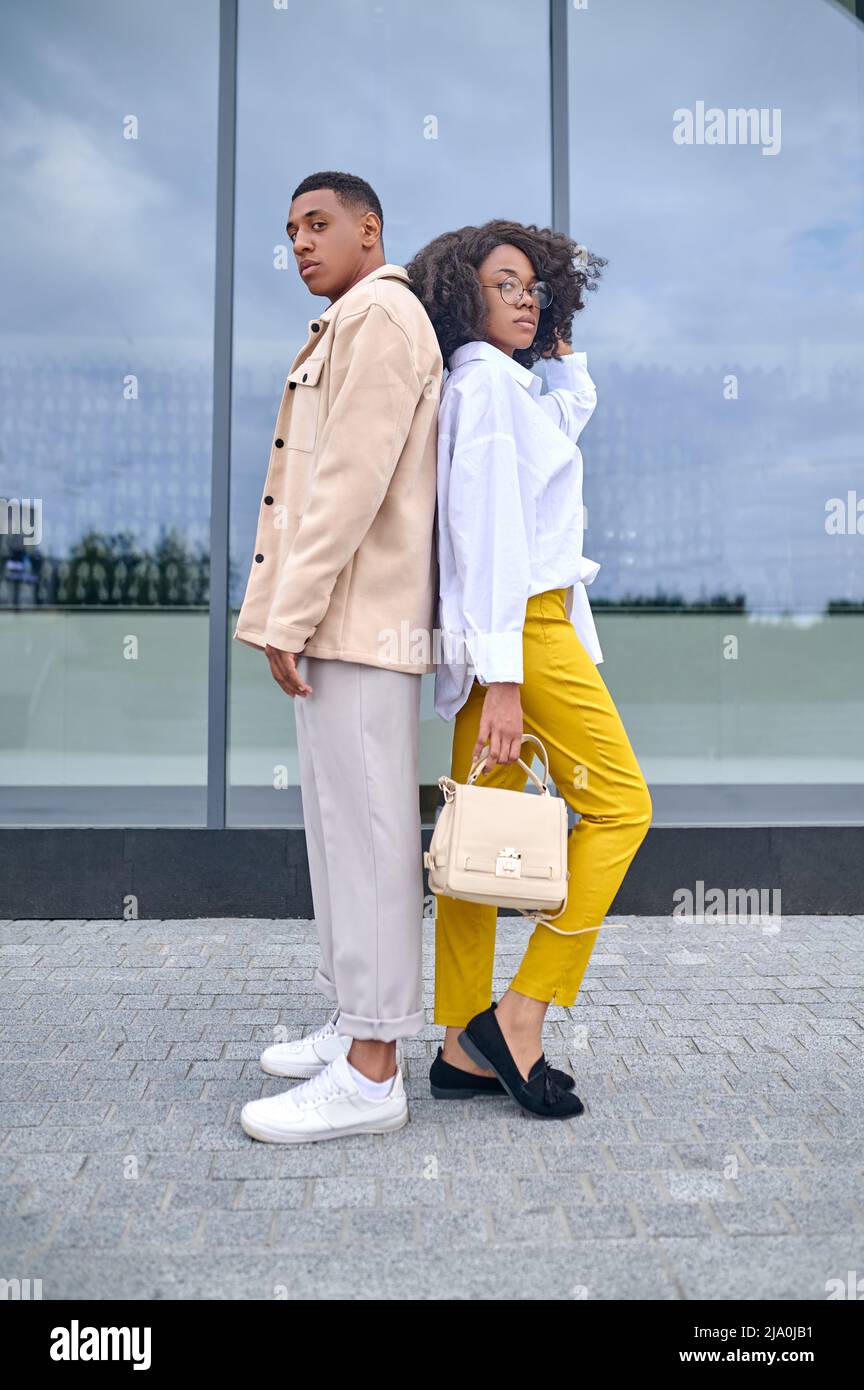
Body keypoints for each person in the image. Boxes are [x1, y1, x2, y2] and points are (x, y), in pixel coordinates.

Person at [405, 219, 653, 1119]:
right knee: (623, 806)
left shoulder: (497, 390)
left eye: (531, 287)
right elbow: (491, 541)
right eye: (502, 284)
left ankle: (461, 1042)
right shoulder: (486, 393)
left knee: (484, 822)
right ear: (461, 295)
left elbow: (563, 414)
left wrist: (558, 344)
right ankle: (519, 1017)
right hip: (525, 632)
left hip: (501, 637)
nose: (522, 299)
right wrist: (506, 678)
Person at [235, 172, 442, 1143]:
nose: (301, 245)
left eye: (318, 225)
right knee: (340, 839)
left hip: (362, 625)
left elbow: (348, 487)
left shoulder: (384, 321)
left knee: (370, 849)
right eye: (290, 232)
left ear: (371, 229)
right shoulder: (346, 324)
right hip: (339, 624)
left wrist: (289, 610)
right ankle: (353, 1023)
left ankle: (372, 1076)